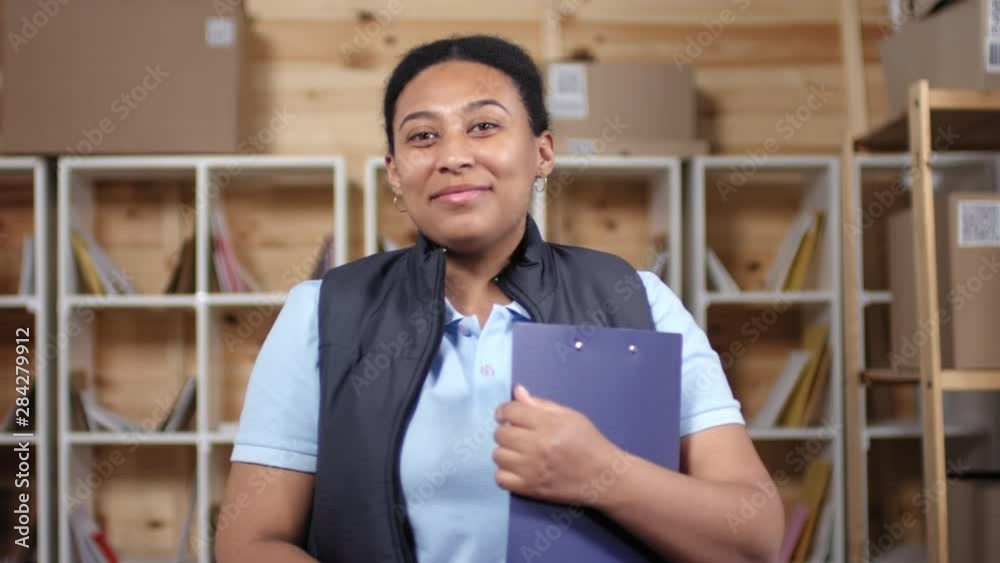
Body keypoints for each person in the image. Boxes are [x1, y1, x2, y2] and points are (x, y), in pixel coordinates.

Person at [215, 34, 784, 563]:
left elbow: (756, 534)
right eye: (422, 135)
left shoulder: (637, 299)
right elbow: (249, 542)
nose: (453, 155)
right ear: (394, 172)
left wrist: (602, 472)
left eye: (484, 126)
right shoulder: (321, 312)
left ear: (542, 152)